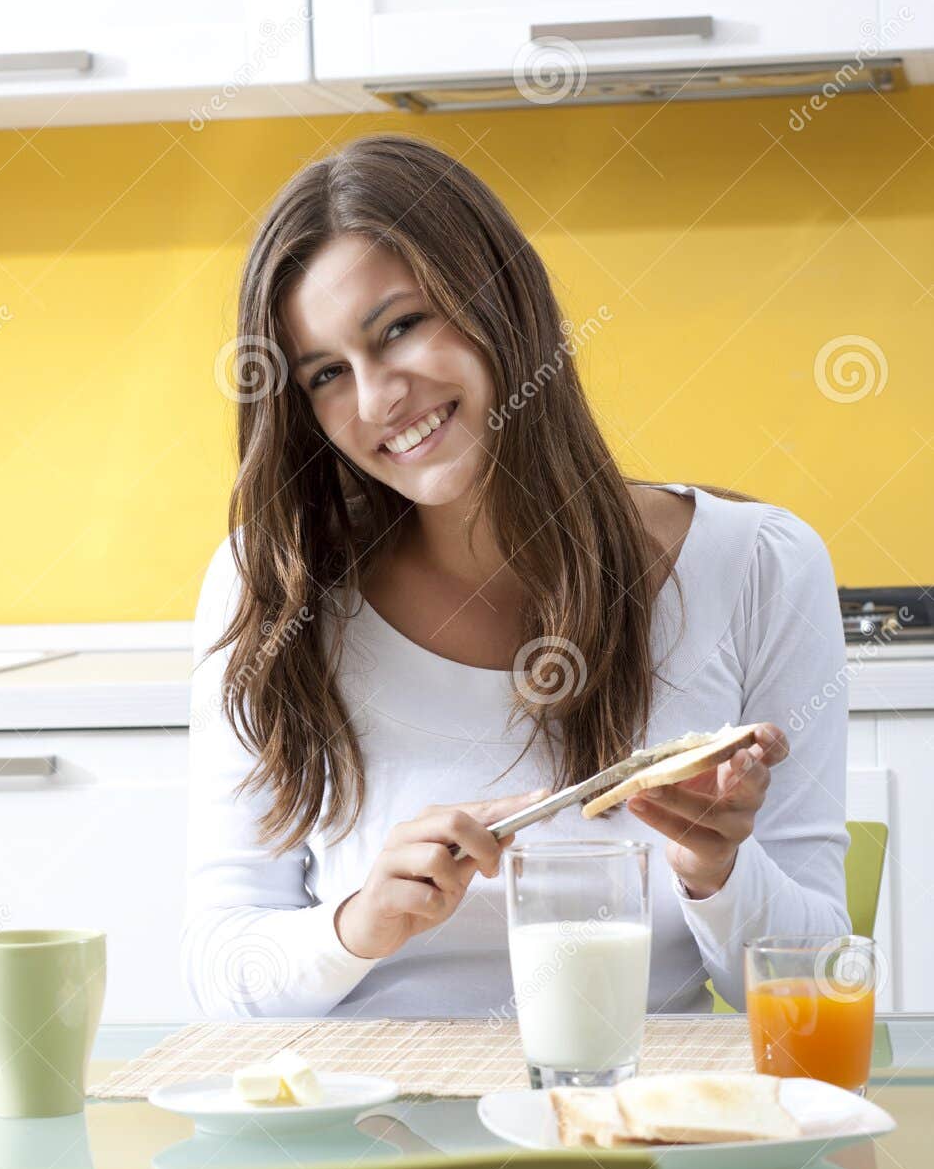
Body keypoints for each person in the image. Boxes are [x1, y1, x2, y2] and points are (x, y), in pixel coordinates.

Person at [182, 134, 848, 1023]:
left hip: (634, 1122)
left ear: (502, 302)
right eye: (329, 374)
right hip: (370, 1134)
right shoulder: (273, 588)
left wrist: (718, 870)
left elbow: (821, 982)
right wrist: (355, 927)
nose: (380, 398)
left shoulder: (760, 565)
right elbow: (220, 968)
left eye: (402, 326)